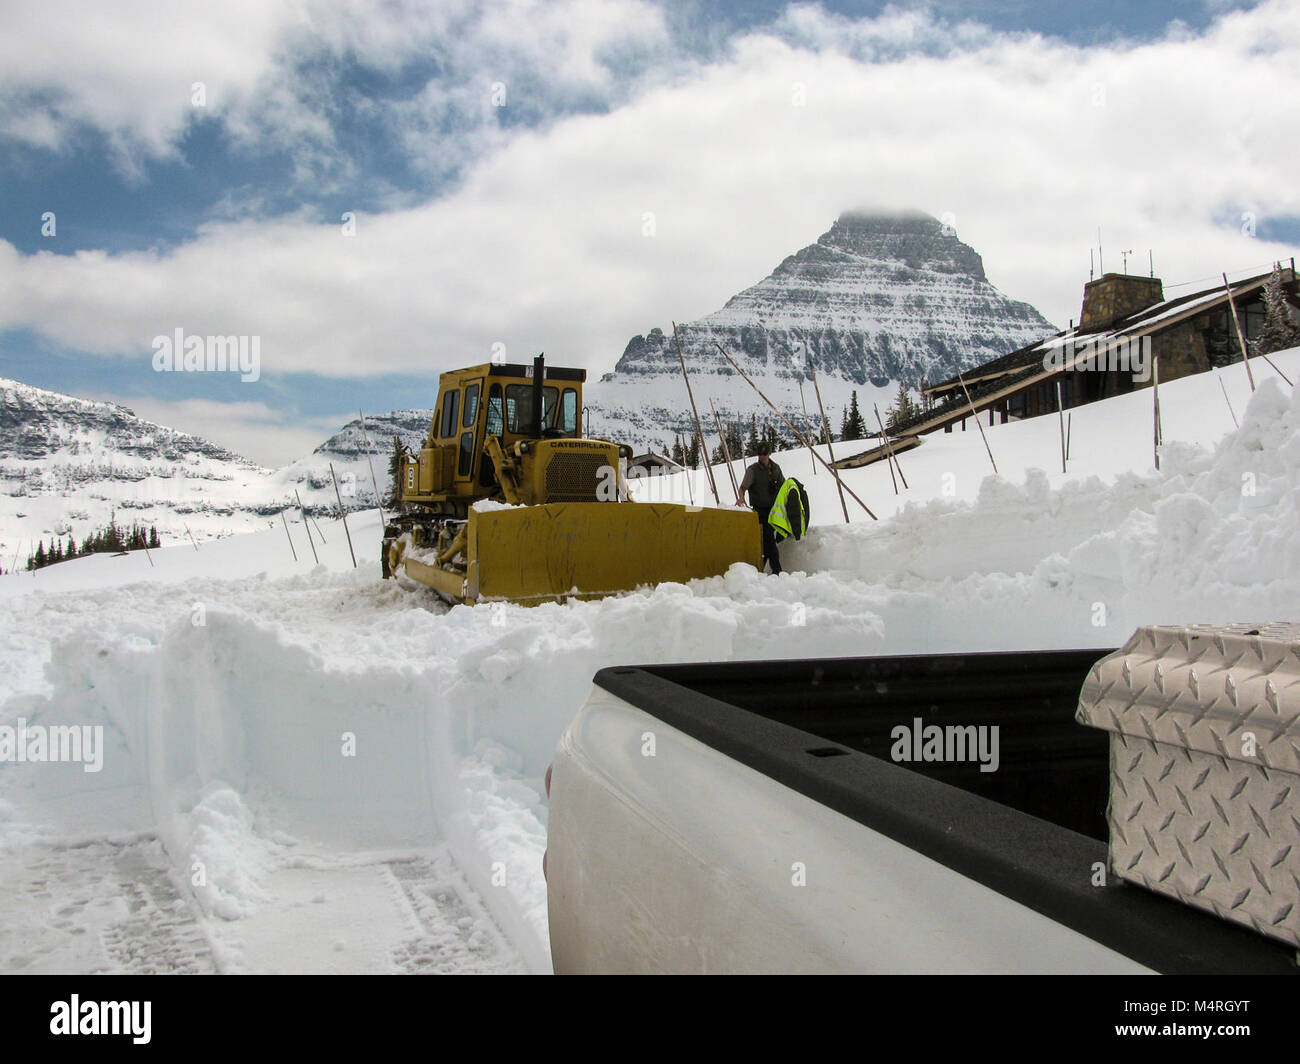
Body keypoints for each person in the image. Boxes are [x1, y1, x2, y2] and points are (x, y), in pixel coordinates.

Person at [736, 445, 784, 574]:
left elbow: (783, 486)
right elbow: (742, 487)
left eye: (765, 453)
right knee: (769, 538)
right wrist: (741, 498)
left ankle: (759, 569)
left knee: (767, 541)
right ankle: (777, 571)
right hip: (760, 510)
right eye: (760, 454)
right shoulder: (752, 470)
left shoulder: (776, 468)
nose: (762, 456)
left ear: (769, 454)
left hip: (774, 510)